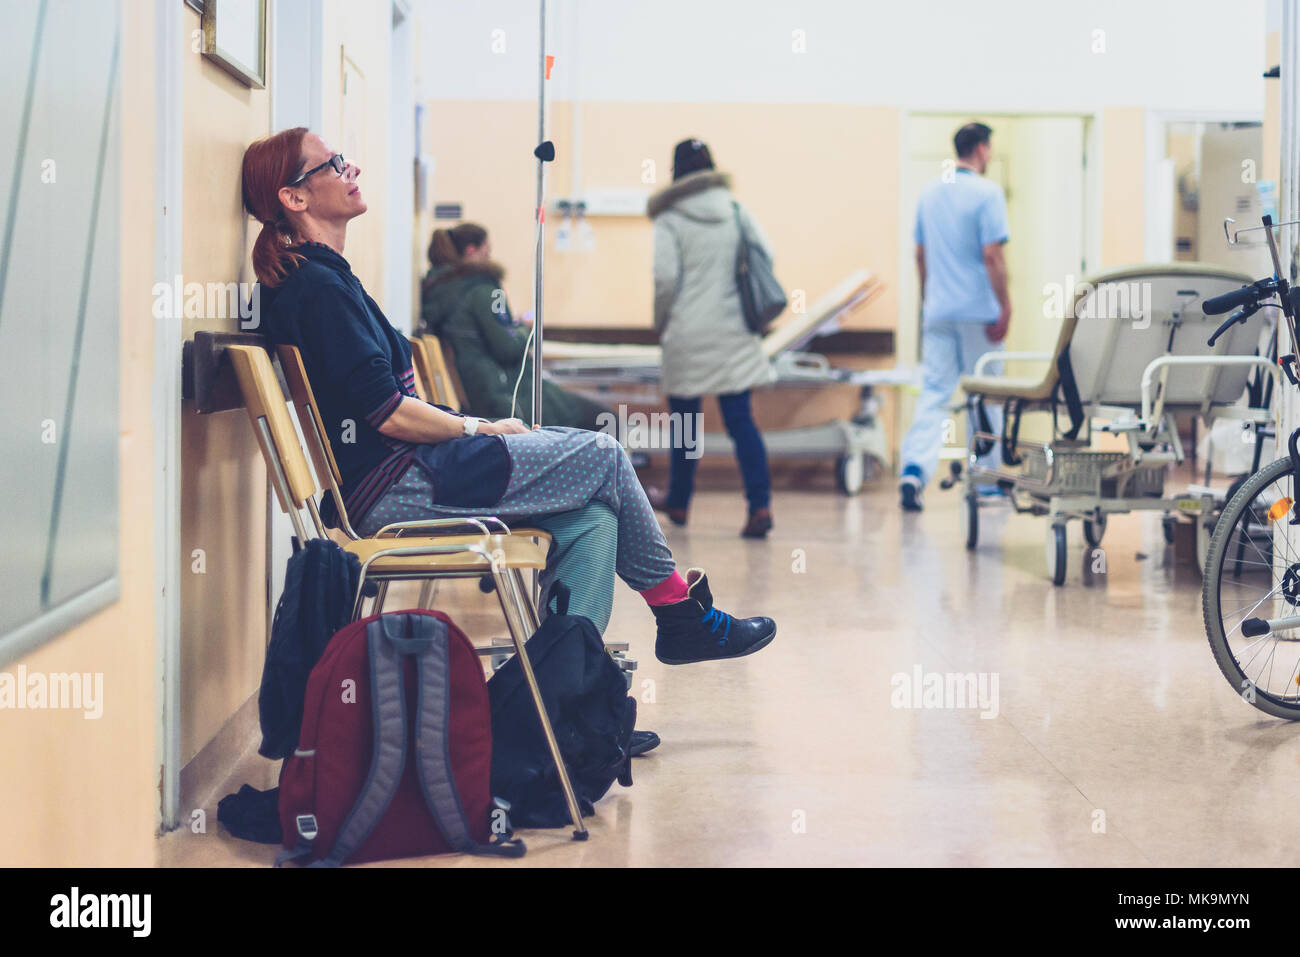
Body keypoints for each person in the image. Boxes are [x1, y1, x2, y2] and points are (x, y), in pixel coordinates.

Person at [240, 127, 777, 675]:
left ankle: (563, 703)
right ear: (295, 197)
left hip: (408, 473)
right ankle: (679, 613)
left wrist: (477, 427)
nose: (350, 169)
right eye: (334, 164)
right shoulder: (319, 289)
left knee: (593, 520)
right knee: (605, 454)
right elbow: (389, 412)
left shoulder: (326, 280)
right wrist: (479, 428)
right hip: (397, 487)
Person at [646, 138, 777, 539]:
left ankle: (681, 501)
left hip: (687, 332)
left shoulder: (670, 219)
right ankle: (759, 506)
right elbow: (765, 256)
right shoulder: (736, 211)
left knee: (686, 423)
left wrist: (660, 321)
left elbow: (665, 279)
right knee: (741, 421)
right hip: (732, 331)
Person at [899, 122, 1010, 512]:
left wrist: (930, 299)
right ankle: (985, 484)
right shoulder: (988, 193)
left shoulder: (930, 192)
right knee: (985, 397)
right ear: (981, 149)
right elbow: (993, 256)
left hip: (939, 310)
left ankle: (913, 471)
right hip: (979, 313)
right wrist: (1006, 305)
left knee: (934, 392)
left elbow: (919, 254)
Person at [418, 223, 613, 430]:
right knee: (607, 420)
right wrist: (524, 328)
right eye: (487, 251)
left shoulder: (439, 291)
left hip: (483, 394)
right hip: (509, 399)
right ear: (471, 251)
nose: (489, 257)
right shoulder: (485, 289)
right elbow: (508, 348)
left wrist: (512, 326)